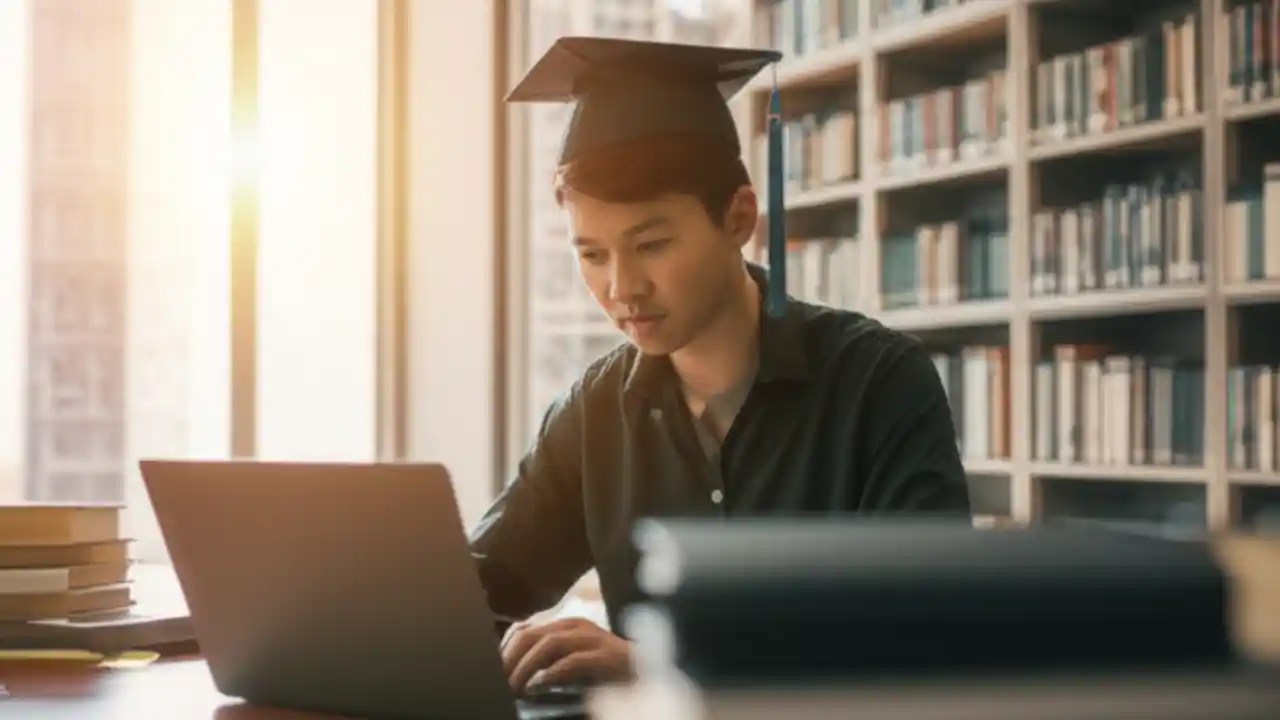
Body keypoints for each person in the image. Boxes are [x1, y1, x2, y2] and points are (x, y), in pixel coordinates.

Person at [469, 36, 970, 695]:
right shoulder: (593, 414)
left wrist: (663, 670)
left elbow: (928, 632)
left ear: (739, 218)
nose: (622, 287)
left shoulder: (879, 384)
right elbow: (476, 590)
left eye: (651, 244)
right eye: (592, 255)